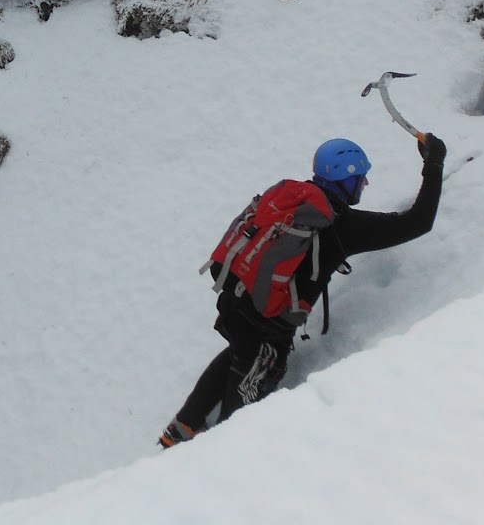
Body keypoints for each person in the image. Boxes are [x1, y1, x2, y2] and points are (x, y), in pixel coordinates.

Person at [157, 132, 446, 448]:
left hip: (235, 302)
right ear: (346, 180)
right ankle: (212, 456)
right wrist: (433, 163)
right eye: (361, 178)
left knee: (237, 354)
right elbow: (418, 222)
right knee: (238, 425)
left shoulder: (293, 198)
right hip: (266, 331)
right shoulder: (343, 227)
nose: (365, 185)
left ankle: (181, 430)